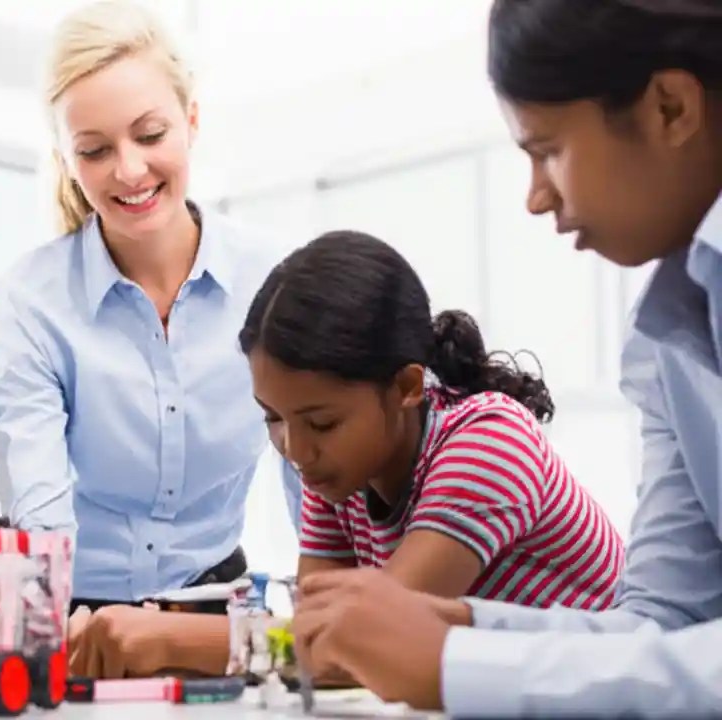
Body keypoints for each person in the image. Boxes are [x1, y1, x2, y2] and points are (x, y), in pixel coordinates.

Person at [290, 0, 722, 716]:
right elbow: (663, 624)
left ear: (671, 108)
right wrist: (461, 629)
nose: (535, 196)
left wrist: (457, 664)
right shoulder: (667, 336)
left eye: (547, 150)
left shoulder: (487, 435)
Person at [67, 230, 626, 679]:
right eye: (272, 417)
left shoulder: (489, 443)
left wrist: (166, 636)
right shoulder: (336, 471)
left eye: (322, 422)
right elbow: (315, 633)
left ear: (407, 386)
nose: (294, 450)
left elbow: (357, 645)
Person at [0, 0, 299, 619]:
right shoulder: (30, 303)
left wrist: (337, 615)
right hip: (77, 617)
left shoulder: (272, 280)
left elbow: (315, 475)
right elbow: (39, 511)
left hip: (220, 614)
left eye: (150, 135)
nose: (129, 170)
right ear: (67, 160)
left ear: (191, 121)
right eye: (95, 151)